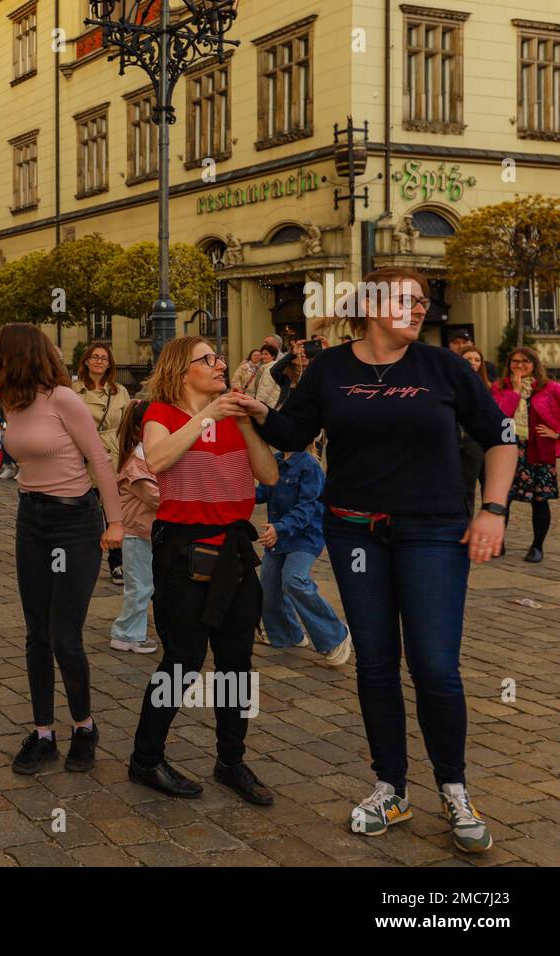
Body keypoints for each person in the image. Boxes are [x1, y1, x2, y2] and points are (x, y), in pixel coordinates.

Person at [242, 266, 515, 853]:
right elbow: (294, 432)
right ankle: (391, 785)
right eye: (406, 300)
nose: (420, 309)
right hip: (355, 533)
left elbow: (500, 434)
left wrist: (492, 509)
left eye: (423, 301)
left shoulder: (442, 367)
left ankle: (454, 787)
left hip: (435, 533)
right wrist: (254, 411)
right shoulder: (332, 370)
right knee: (375, 663)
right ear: (369, 305)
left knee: (435, 666)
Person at [128, 336, 280, 806]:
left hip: (233, 552)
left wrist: (245, 420)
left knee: (237, 661)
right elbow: (153, 461)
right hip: (181, 550)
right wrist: (205, 417)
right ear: (181, 369)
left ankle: (231, 761)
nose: (220, 363)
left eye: (220, 355)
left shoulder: (232, 416)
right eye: (208, 359)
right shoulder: (162, 414)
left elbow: (269, 477)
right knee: (183, 660)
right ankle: (146, 758)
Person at [0, 323, 124, 775]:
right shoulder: (10, 401)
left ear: (20, 355)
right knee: (36, 634)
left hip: (75, 521)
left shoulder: (63, 398)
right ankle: (43, 732)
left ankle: (84, 727)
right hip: (32, 519)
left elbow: (99, 459)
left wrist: (117, 521)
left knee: (66, 636)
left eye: (1, 355)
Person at [254, 446, 352, 665]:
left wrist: (279, 528)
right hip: (278, 536)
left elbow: (306, 508)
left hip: (304, 537)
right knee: (269, 586)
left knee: (293, 579)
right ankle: (288, 634)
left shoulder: (310, 466)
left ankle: (336, 635)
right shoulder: (273, 461)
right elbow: (264, 492)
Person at [491, 346, 560, 564]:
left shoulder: (550, 388)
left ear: (535, 364)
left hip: (538, 450)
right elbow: (500, 415)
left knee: (539, 500)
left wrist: (557, 432)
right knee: (503, 498)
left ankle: (537, 546)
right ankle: (498, 541)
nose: (520, 366)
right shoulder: (500, 387)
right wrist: (516, 391)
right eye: (515, 361)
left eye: (525, 362)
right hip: (509, 448)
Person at [72, 342, 132, 585]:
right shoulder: (74, 390)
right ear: (86, 361)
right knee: (87, 509)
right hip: (85, 453)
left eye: (103, 358)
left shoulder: (120, 391)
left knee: (113, 510)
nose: (99, 361)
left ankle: (117, 562)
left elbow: (128, 424)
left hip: (114, 452)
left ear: (109, 364)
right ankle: (83, 558)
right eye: (94, 357)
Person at [109, 399, 159, 653]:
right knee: (139, 587)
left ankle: (133, 631)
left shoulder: (148, 457)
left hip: (148, 533)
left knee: (145, 585)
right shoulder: (136, 464)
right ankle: (126, 633)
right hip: (136, 535)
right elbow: (157, 497)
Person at [456, 346, 491, 519]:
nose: (473, 363)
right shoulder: (453, 383)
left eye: (477, 360)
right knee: (465, 490)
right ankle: (464, 530)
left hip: (486, 444)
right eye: (468, 359)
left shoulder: (488, 386)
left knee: (489, 491)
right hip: (464, 442)